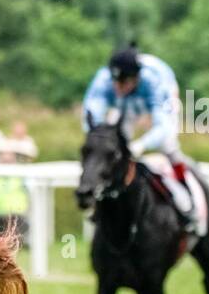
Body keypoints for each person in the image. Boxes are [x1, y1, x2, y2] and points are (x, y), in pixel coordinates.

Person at [82, 44, 198, 234]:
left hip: (159, 100)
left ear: (136, 78)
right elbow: (92, 122)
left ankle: (187, 205)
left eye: (122, 82)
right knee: (110, 147)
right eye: (115, 82)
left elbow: (163, 128)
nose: (117, 87)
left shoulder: (153, 81)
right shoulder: (103, 79)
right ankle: (104, 203)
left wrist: (140, 145)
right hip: (126, 106)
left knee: (168, 145)